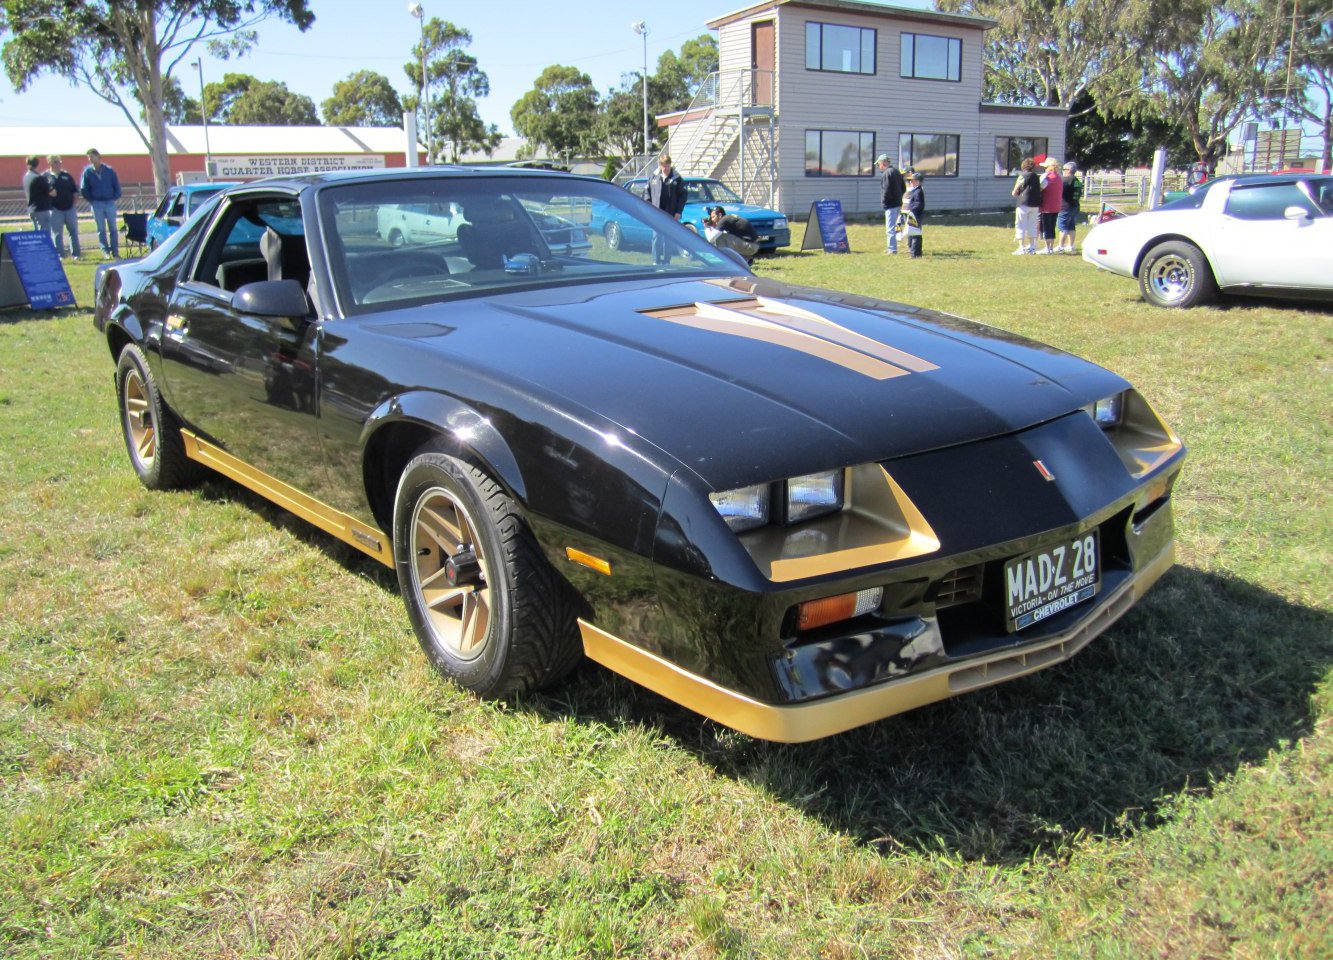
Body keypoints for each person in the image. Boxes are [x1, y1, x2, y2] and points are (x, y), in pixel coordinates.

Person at [80, 148, 122, 258]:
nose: (90, 159)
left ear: (99, 157)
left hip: (109, 202)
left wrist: (114, 197)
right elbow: (84, 189)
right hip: (96, 203)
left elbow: (116, 185)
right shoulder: (87, 172)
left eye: (92, 157)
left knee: (113, 228)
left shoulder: (109, 171)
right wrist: (92, 200)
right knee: (101, 229)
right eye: (89, 157)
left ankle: (115, 251)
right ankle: (105, 251)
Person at [647, 153, 686, 264]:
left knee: (668, 239)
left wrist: (678, 211)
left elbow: (683, 196)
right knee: (656, 238)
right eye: (664, 166)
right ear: (660, 165)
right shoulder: (653, 177)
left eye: (668, 166)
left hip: (670, 214)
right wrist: (648, 207)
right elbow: (647, 193)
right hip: (656, 214)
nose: (666, 169)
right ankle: (656, 260)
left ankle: (667, 261)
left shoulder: (677, 179)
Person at [46, 155, 81, 260]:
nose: (59, 164)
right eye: (56, 162)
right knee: (57, 234)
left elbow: (75, 192)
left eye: (59, 161)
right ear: (50, 163)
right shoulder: (46, 177)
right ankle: (60, 255)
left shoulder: (67, 176)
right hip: (55, 209)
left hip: (69, 209)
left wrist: (73, 205)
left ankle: (76, 254)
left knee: (73, 232)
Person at [1011, 158, 1041, 255]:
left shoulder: (1022, 176)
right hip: (1035, 204)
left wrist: (1016, 193)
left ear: (1023, 166)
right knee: (1032, 225)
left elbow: (1014, 192)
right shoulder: (1036, 177)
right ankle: (1032, 247)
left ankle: (1021, 247)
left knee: (1020, 225)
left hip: (1023, 203)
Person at [876, 153, 905, 254]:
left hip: (890, 205)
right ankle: (890, 247)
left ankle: (892, 249)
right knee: (893, 227)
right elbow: (903, 187)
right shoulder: (896, 172)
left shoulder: (887, 173)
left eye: (878, 164)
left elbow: (886, 190)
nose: (879, 167)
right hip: (897, 203)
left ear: (883, 163)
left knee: (890, 229)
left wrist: (884, 202)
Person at [1056, 161, 1083, 254]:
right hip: (1075, 206)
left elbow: (1059, 191)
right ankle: (1070, 245)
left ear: (1068, 170)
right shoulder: (1077, 181)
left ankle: (1060, 246)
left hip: (1065, 207)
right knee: (1071, 226)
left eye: (1064, 169)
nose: (1063, 171)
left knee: (1063, 228)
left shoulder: (1065, 180)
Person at [1037, 157, 1063, 255]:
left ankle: (1047, 248)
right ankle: (1051, 247)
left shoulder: (1046, 178)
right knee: (1052, 227)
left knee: (1046, 227)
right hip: (1056, 205)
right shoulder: (1059, 177)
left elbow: (1040, 188)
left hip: (1047, 206)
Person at [23, 155, 54, 237]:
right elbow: (51, 192)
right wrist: (50, 182)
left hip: (31, 209)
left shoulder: (26, 177)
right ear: (37, 164)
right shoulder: (38, 178)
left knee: (37, 233)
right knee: (45, 234)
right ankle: (45, 249)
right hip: (42, 209)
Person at [900, 171, 925, 258]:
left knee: (915, 234)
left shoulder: (918, 191)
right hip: (912, 214)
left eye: (913, 180)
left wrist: (911, 210)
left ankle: (915, 254)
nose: (911, 182)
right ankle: (913, 251)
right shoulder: (915, 191)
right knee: (911, 233)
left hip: (915, 215)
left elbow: (918, 204)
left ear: (918, 181)